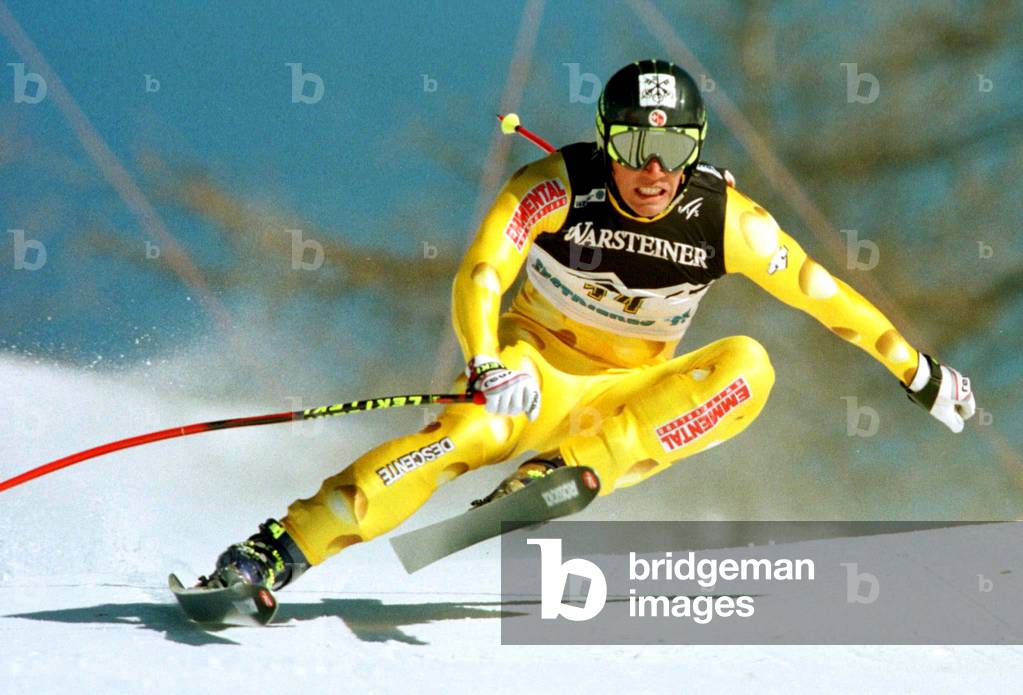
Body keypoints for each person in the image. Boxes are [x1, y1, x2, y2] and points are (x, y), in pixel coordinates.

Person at [199, 59, 977, 592]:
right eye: (636, 145)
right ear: (607, 141)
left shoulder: (724, 220)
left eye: (673, 149)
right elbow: (481, 271)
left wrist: (917, 370)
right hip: (531, 376)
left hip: (626, 397)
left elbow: (821, 293)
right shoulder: (555, 186)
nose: (653, 171)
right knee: (452, 444)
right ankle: (273, 552)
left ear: (696, 151)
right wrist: (485, 362)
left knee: (749, 364)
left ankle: (559, 474)